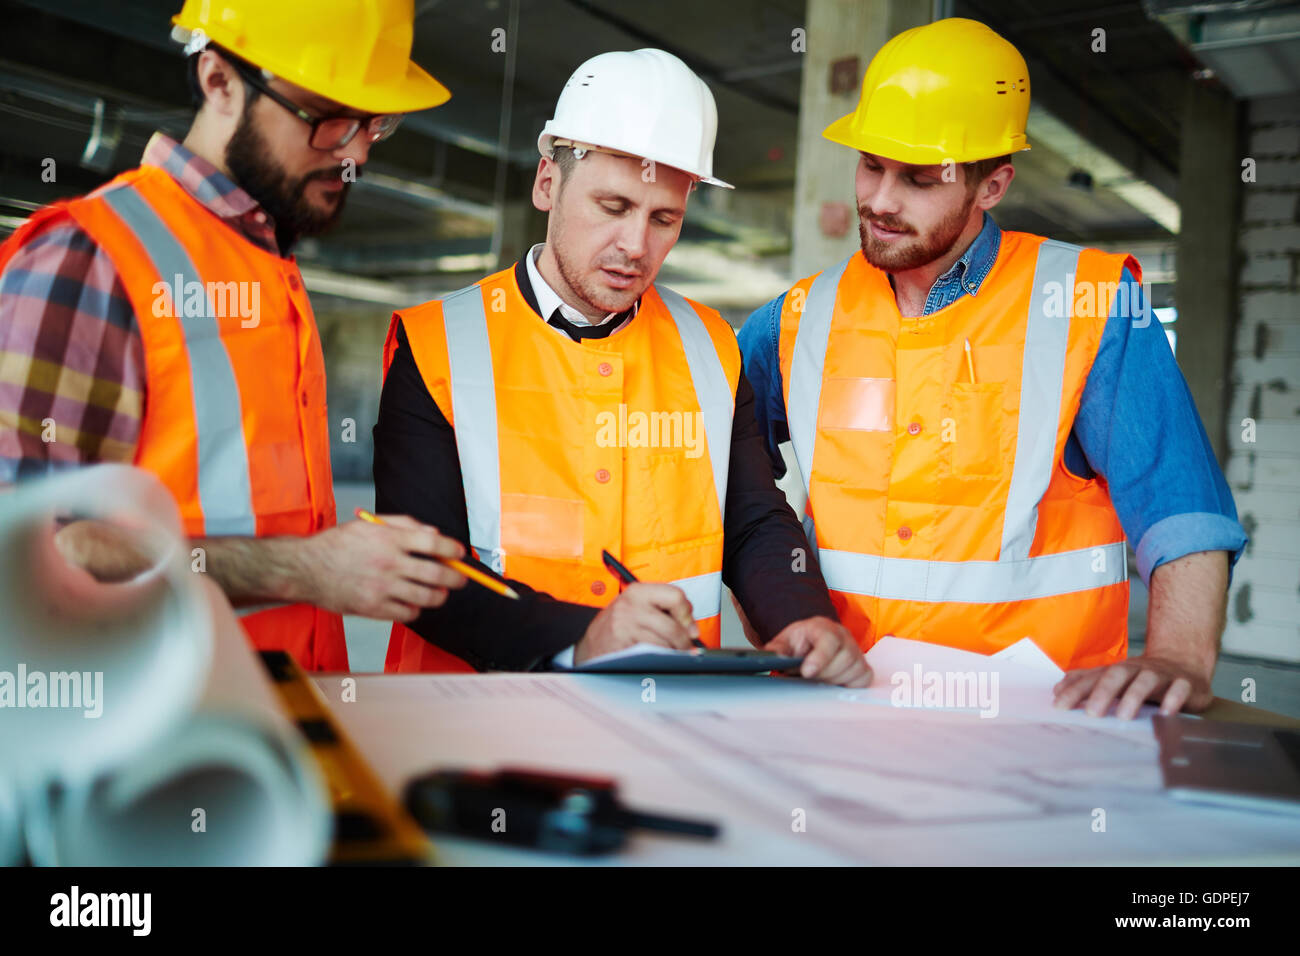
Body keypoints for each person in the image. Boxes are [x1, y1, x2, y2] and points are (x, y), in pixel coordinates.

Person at [738, 17, 1247, 718]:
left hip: (1037, 723)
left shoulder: (1086, 304)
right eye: (871, 165)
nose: (881, 200)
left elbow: (1181, 506)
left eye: (918, 179)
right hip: (838, 712)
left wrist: (1179, 658)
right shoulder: (796, 321)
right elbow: (724, 487)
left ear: (992, 185)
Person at [374, 49, 870, 687]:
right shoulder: (438, 345)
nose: (636, 246)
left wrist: (801, 616)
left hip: (669, 725)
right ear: (548, 182)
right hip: (479, 731)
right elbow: (423, 570)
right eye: (613, 207)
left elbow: (752, 521)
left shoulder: (711, 345)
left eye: (664, 218)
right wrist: (582, 636)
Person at [0, 0, 468, 671]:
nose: (357, 151)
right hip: (141, 748)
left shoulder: (266, 264)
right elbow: (23, 552)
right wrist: (302, 569)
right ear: (219, 81)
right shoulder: (89, 255)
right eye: (328, 117)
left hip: (265, 732)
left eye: (374, 123)